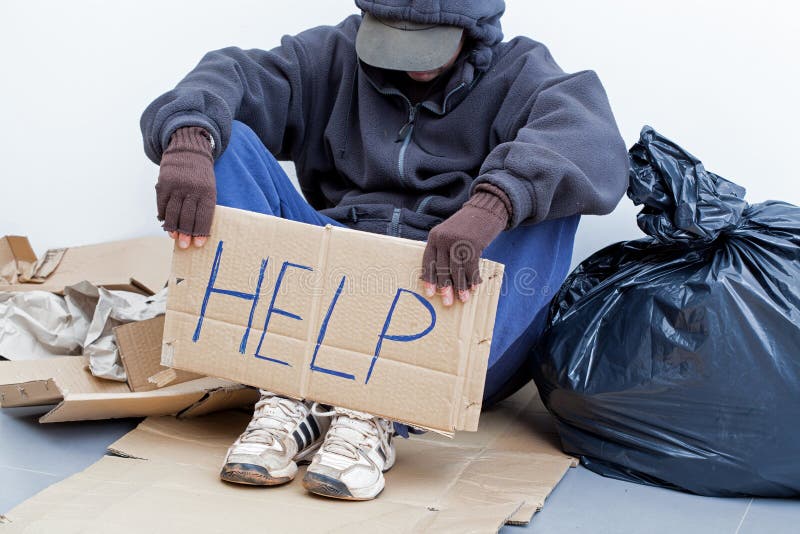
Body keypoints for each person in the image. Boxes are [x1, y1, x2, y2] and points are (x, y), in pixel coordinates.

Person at [141, 0, 628, 501]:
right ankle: (288, 389)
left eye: (427, 42)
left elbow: (590, 139)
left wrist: (492, 204)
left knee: (551, 194)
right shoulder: (333, 55)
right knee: (222, 138)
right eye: (393, 38)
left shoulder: (521, 72)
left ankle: (382, 410)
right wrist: (187, 138)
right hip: (328, 300)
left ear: (474, 28)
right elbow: (233, 73)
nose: (410, 59)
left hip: (446, 305)